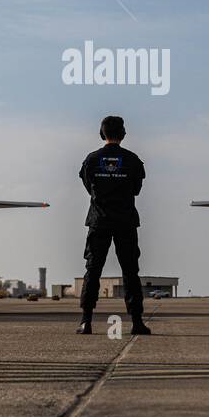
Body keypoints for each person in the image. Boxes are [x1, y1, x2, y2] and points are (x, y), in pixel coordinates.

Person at [77, 115, 150, 336]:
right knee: (130, 271)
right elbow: (137, 189)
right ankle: (136, 321)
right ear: (123, 134)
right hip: (125, 221)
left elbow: (88, 186)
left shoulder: (91, 160)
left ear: (102, 134)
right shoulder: (133, 160)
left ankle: (86, 321)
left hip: (99, 220)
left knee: (93, 269)